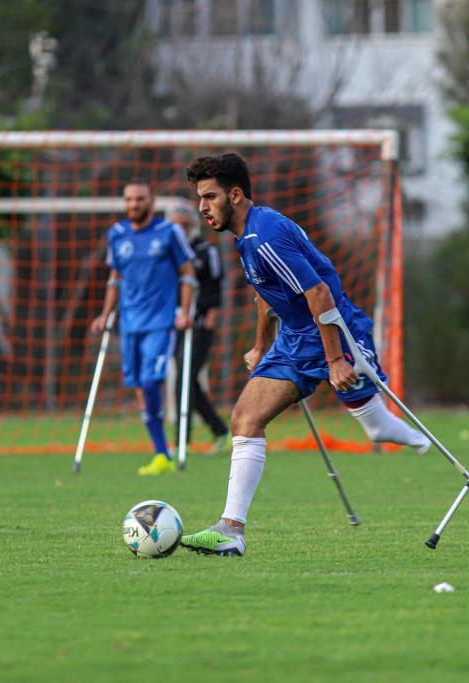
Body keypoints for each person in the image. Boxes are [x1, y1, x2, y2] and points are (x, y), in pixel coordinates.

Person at [179, 153, 430, 556]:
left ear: (236, 195)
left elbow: (319, 293)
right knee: (245, 419)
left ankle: (418, 438)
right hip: (295, 337)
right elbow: (268, 292)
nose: (202, 207)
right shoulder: (245, 234)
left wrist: (335, 360)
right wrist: (261, 346)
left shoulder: (265, 236)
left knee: (376, 427)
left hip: (336, 331)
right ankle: (231, 530)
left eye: (209, 197)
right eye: (200, 198)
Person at [91, 181, 197, 476]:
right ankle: (160, 453)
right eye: (129, 200)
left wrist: (185, 311)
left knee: (152, 381)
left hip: (160, 322)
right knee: (138, 384)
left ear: (151, 202)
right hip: (129, 323)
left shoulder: (168, 232)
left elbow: (188, 273)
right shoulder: (118, 234)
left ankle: (164, 450)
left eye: (139, 199)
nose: (134, 204)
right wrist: (105, 315)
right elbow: (115, 278)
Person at [168, 205, 231, 454]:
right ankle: (220, 432)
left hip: (200, 322)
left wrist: (211, 315)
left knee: (185, 379)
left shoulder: (206, 251)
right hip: (176, 323)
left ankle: (182, 440)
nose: (180, 230)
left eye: (184, 225)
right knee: (187, 381)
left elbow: (215, 284)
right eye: (175, 225)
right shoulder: (169, 252)